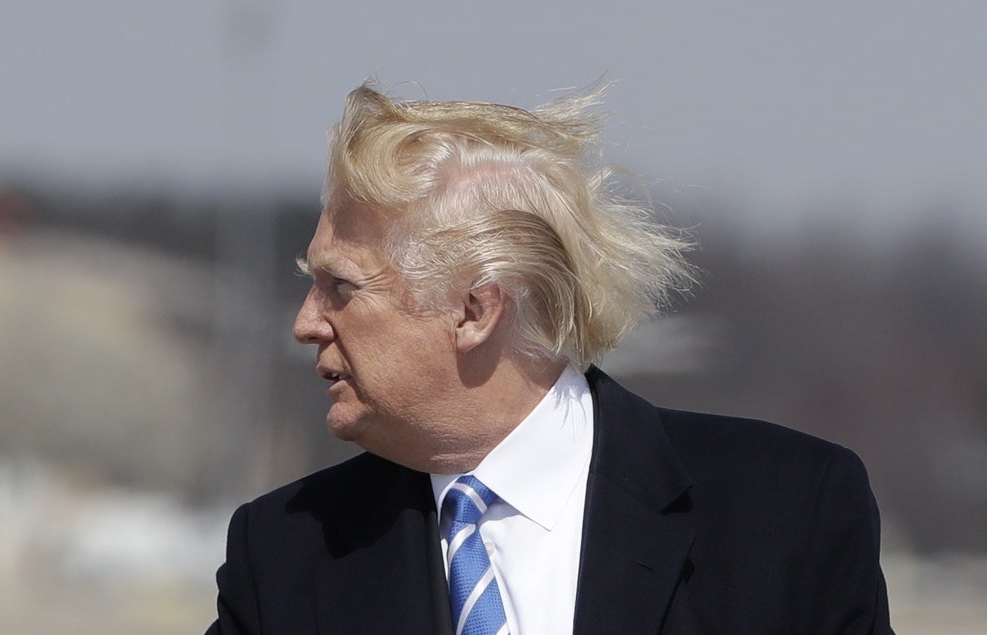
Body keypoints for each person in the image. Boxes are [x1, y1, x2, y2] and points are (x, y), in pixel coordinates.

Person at [207, 83, 894, 634]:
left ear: (475, 311)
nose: (305, 322)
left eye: (341, 288)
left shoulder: (787, 510)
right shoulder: (284, 551)